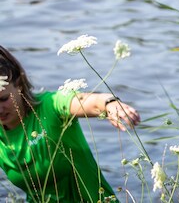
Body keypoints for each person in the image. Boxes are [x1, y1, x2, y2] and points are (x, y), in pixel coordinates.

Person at [0, 44, 140, 203]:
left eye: (3, 99)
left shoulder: (50, 105)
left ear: (19, 86)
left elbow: (89, 102)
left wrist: (109, 103)